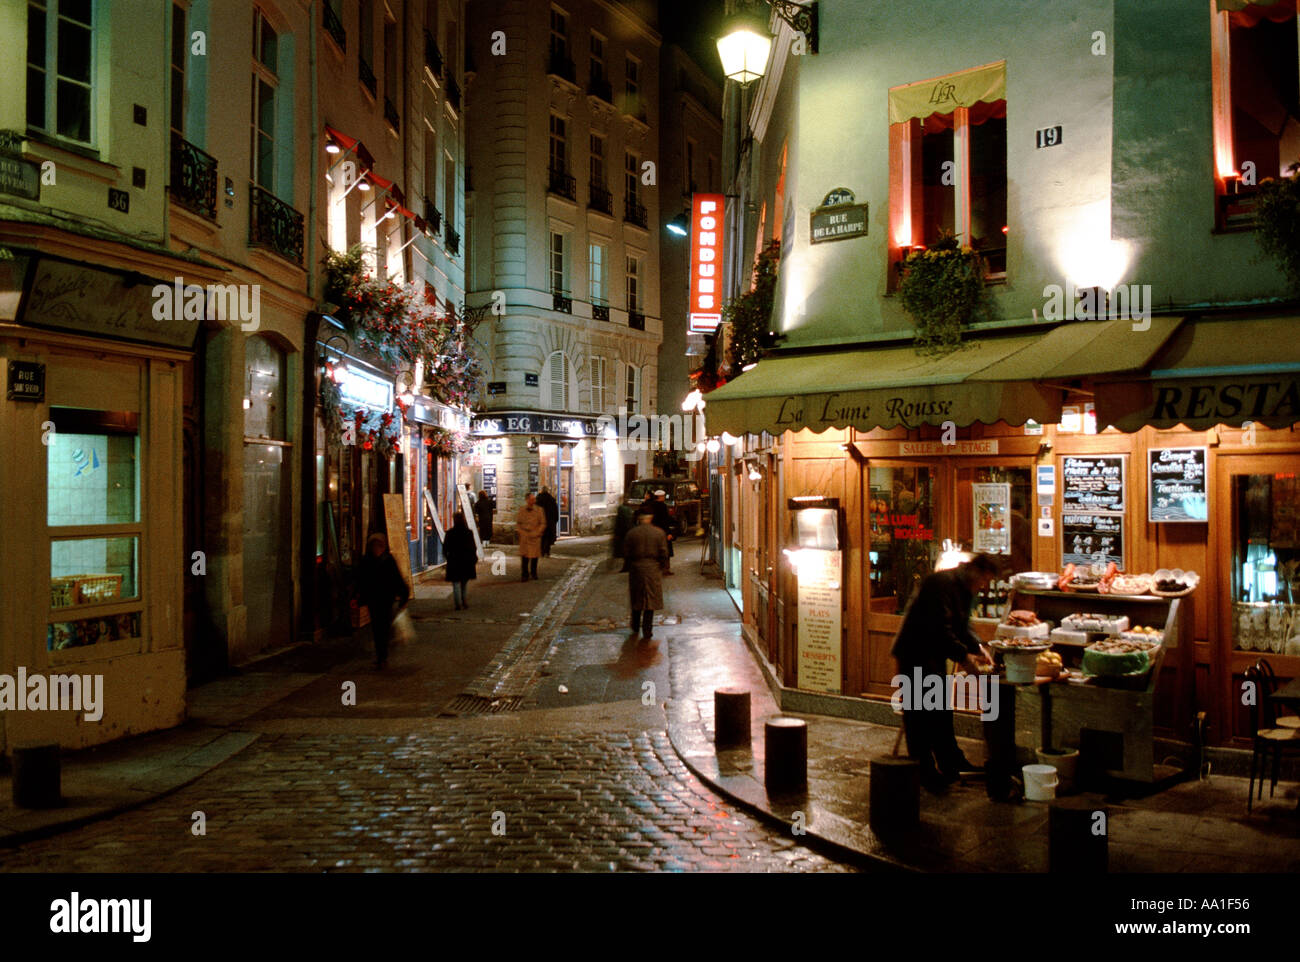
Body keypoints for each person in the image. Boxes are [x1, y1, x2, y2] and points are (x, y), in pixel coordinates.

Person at [889, 553, 999, 793]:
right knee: (919, 714)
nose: (983, 586)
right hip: (914, 652)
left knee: (940, 711)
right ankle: (924, 772)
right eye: (984, 581)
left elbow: (962, 626)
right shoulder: (940, 584)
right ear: (974, 571)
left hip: (933, 655)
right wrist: (965, 658)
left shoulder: (962, 588)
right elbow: (940, 628)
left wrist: (979, 647)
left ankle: (951, 761)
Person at [359, 532, 410, 669]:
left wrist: (403, 596)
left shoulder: (388, 560)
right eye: (375, 546)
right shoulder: (367, 561)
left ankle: (382, 655)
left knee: (383, 627)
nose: (377, 549)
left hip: (385, 600)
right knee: (377, 628)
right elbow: (362, 581)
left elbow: (397, 580)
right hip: (374, 600)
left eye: (379, 546)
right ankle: (381, 655)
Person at [624, 508, 669, 641]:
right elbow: (663, 552)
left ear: (639, 519)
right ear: (650, 518)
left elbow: (626, 552)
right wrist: (662, 566)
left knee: (637, 597)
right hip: (652, 568)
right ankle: (647, 629)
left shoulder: (632, 533)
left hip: (636, 568)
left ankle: (635, 625)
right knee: (650, 600)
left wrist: (629, 565)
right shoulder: (658, 533)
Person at [444, 511, 478, 610]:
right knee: (464, 582)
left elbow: (445, 548)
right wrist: (473, 558)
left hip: (454, 561)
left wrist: (448, 557)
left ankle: (458, 604)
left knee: (455, 583)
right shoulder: (468, 532)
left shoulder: (450, 533)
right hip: (466, 561)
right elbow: (473, 547)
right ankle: (464, 601)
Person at [515, 492, 546, 581]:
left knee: (534, 556)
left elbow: (543, 523)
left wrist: (538, 532)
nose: (533, 501)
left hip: (535, 536)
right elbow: (518, 523)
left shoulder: (539, 510)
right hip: (525, 536)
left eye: (534, 499)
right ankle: (524, 574)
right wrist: (521, 532)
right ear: (527, 500)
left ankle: (534, 572)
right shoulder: (522, 510)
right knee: (524, 557)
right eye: (531, 499)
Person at [648, 488, 675, 574]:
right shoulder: (663, 506)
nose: (664, 497)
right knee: (665, 550)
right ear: (660, 497)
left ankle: (656, 567)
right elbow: (665, 520)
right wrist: (669, 533)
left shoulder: (651, 505)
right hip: (663, 532)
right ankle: (665, 569)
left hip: (653, 531)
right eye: (663, 496)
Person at [536, 485, 559, 557]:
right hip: (549, 522)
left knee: (542, 537)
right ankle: (547, 551)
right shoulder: (551, 500)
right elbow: (555, 511)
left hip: (540, 522)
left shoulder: (538, 499)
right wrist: (555, 520)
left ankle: (542, 551)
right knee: (548, 537)